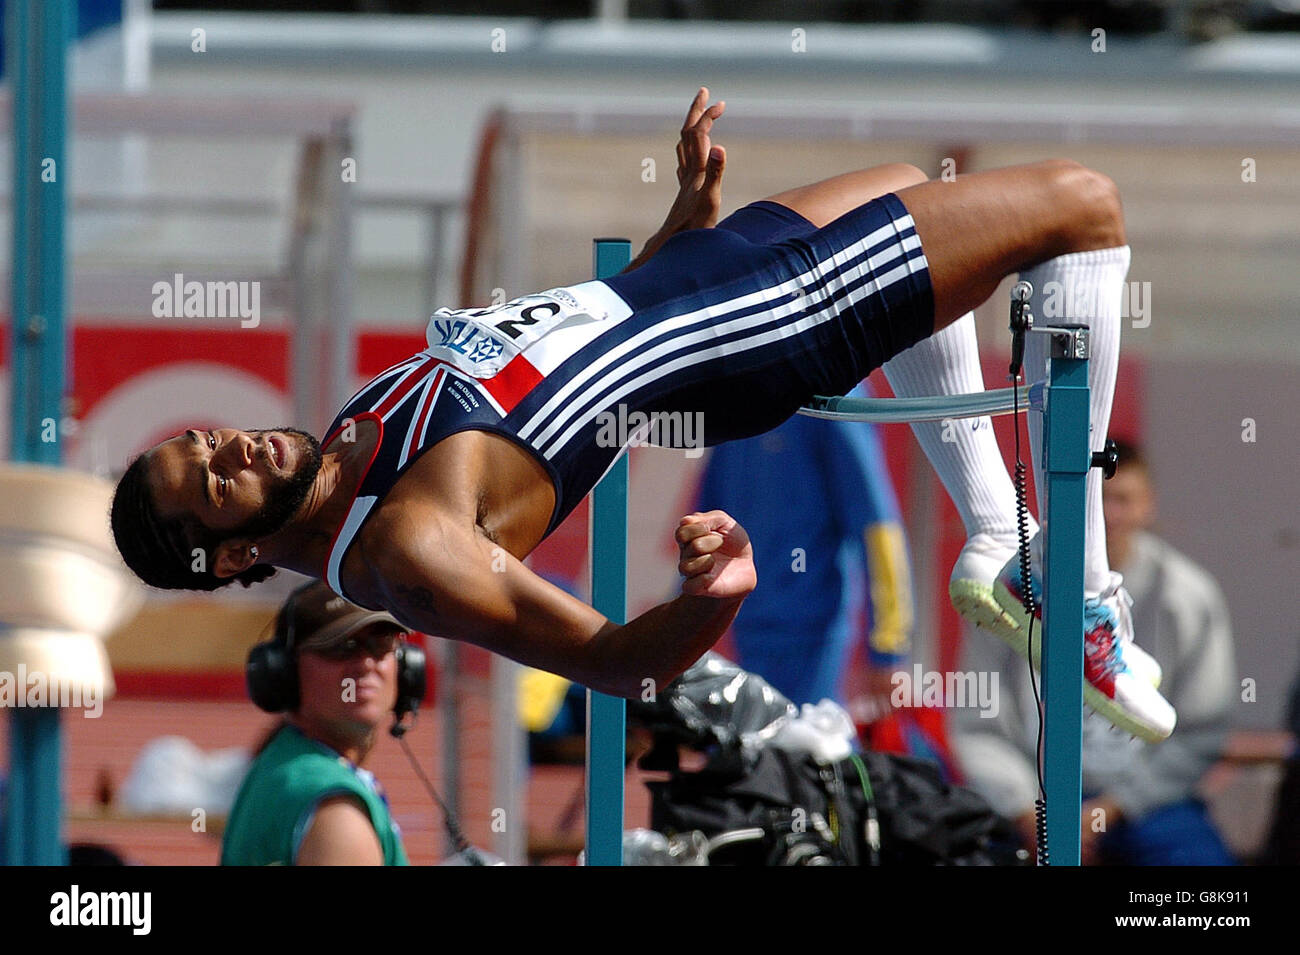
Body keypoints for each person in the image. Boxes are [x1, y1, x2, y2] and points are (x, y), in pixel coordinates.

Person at [109, 88, 1174, 742]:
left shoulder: (339, 447)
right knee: (1081, 204)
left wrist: (677, 225)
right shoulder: (404, 547)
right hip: (755, 326)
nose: (233, 444)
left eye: (204, 440)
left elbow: (566, 346)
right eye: (216, 481)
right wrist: (718, 596)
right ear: (237, 547)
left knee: (901, 177)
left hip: (696, 276)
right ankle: (1072, 593)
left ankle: (1004, 538)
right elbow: (621, 664)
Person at [949, 438, 1237, 865]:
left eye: (1122, 498)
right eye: (1096, 498)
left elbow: (1202, 730)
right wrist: (1028, 808)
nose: (1107, 513)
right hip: (1031, 799)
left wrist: (1111, 808)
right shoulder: (1010, 588)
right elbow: (976, 725)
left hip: (1144, 806)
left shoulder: (1188, 595)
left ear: (1148, 505)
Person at [691, 379, 913, 710]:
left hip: (815, 633)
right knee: (764, 752)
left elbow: (876, 524)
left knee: (810, 750)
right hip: (748, 628)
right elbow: (703, 524)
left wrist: (888, 644)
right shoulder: (736, 395)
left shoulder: (837, 394)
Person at [220, 581, 424, 866]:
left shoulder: (287, 764)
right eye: (342, 647)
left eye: (381, 643)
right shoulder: (338, 814)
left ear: (404, 666)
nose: (365, 663)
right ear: (285, 673)